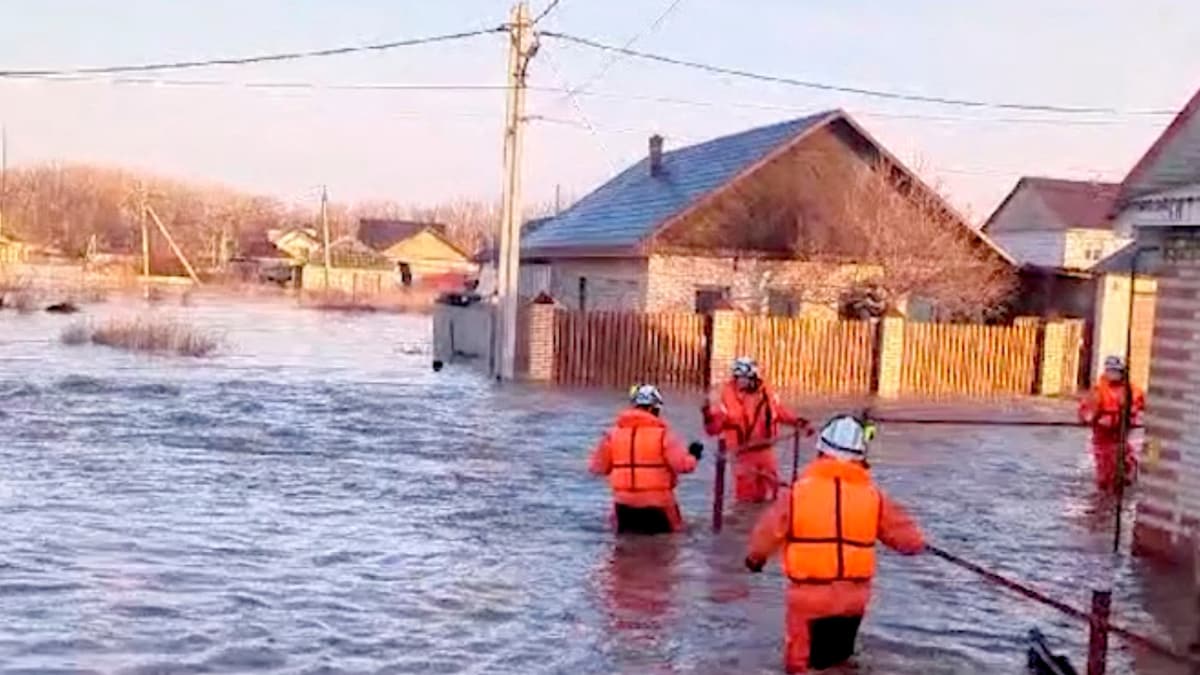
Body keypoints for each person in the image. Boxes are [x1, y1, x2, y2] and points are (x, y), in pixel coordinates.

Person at [745, 415, 925, 673]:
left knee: (802, 666)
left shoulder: (797, 494)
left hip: (810, 600)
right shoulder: (874, 497)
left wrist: (755, 560)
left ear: (821, 451)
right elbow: (911, 542)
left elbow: (766, 536)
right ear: (860, 457)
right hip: (854, 601)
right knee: (841, 662)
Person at [589, 385, 703, 534]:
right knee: (671, 542)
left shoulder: (612, 435)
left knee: (625, 545)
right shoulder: (664, 435)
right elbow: (683, 466)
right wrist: (694, 455)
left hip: (623, 506)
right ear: (654, 409)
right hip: (659, 505)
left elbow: (597, 468)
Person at [702, 357, 809, 503]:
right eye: (738, 377)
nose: (740, 381)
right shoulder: (726, 396)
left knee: (773, 491)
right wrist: (708, 417)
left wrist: (798, 422)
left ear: (753, 377)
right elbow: (714, 428)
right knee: (746, 497)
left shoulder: (766, 392)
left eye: (744, 378)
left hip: (765, 449)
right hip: (742, 453)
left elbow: (778, 411)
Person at [1078, 355, 1145, 493]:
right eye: (1110, 370)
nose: (1113, 374)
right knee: (1106, 470)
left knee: (1127, 465)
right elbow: (1085, 412)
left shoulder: (1133, 390)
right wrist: (1094, 419)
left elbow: (1144, 405)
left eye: (1116, 371)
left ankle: (1123, 486)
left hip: (1122, 435)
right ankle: (1105, 495)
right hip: (1104, 437)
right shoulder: (1099, 391)